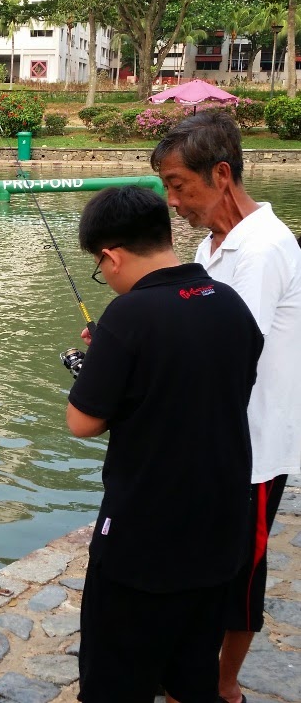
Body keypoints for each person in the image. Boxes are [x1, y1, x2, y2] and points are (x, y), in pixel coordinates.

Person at [66, 186, 263, 703]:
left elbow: (82, 422)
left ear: (110, 255)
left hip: (143, 541)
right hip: (220, 531)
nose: (104, 278)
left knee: (115, 678)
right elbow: (203, 384)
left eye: (99, 267)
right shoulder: (230, 302)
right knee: (191, 669)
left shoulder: (127, 317)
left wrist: (104, 363)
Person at [151, 113, 301, 703]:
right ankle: (187, 668)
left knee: (241, 574)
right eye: (166, 186)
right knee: (200, 561)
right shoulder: (213, 243)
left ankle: (225, 684)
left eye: (179, 184)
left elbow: (230, 347)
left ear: (221, 174)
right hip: (213, 439)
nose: (172, 200)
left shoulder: (262, 248)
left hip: (253, 448)